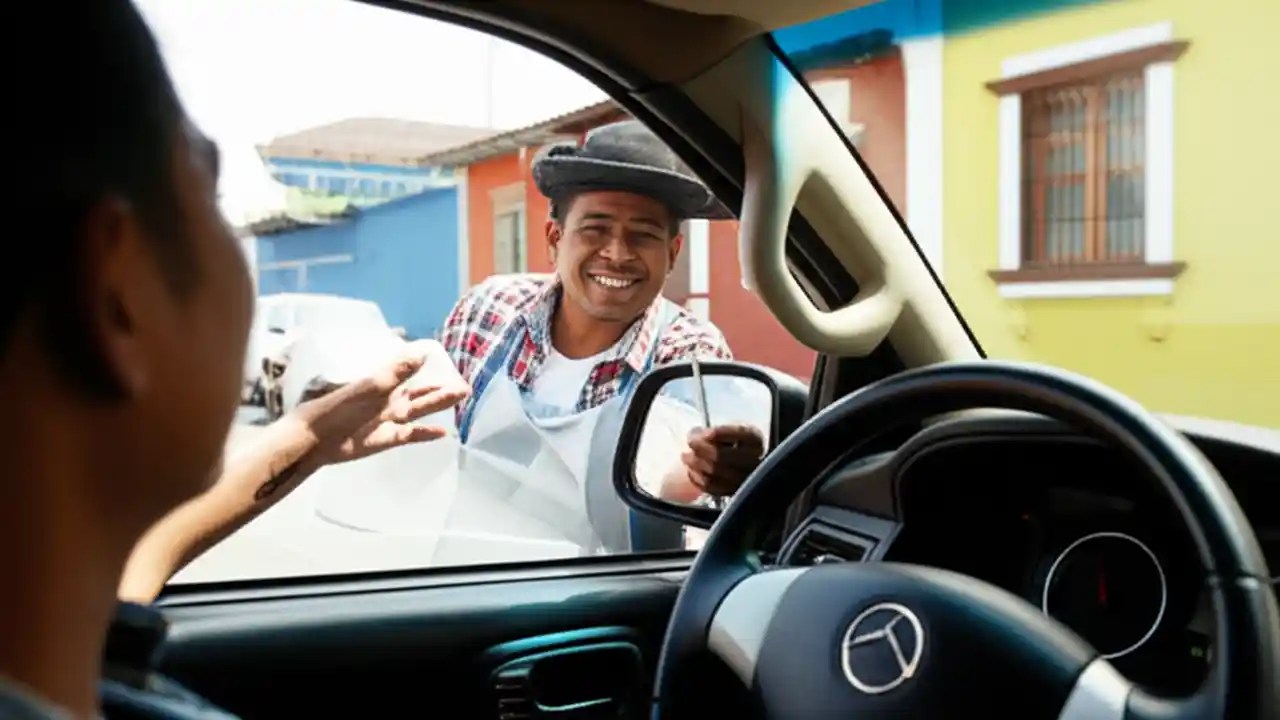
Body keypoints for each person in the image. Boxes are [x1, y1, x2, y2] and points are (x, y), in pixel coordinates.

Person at [1, 2, 467, 717]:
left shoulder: (45, 602)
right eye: (213, 200)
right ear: (117, 292)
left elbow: (139, 560)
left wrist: (310, 438)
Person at [437, 121, 766, 553]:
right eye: (596, 229)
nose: (617, 253)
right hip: (454, 586)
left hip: (591, 605)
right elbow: (428, 442)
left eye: (643, 235)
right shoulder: (488, 312)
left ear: (672, 253)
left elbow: (674, 480)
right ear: (555, 238)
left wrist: (712, 469)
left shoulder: (689, 351)